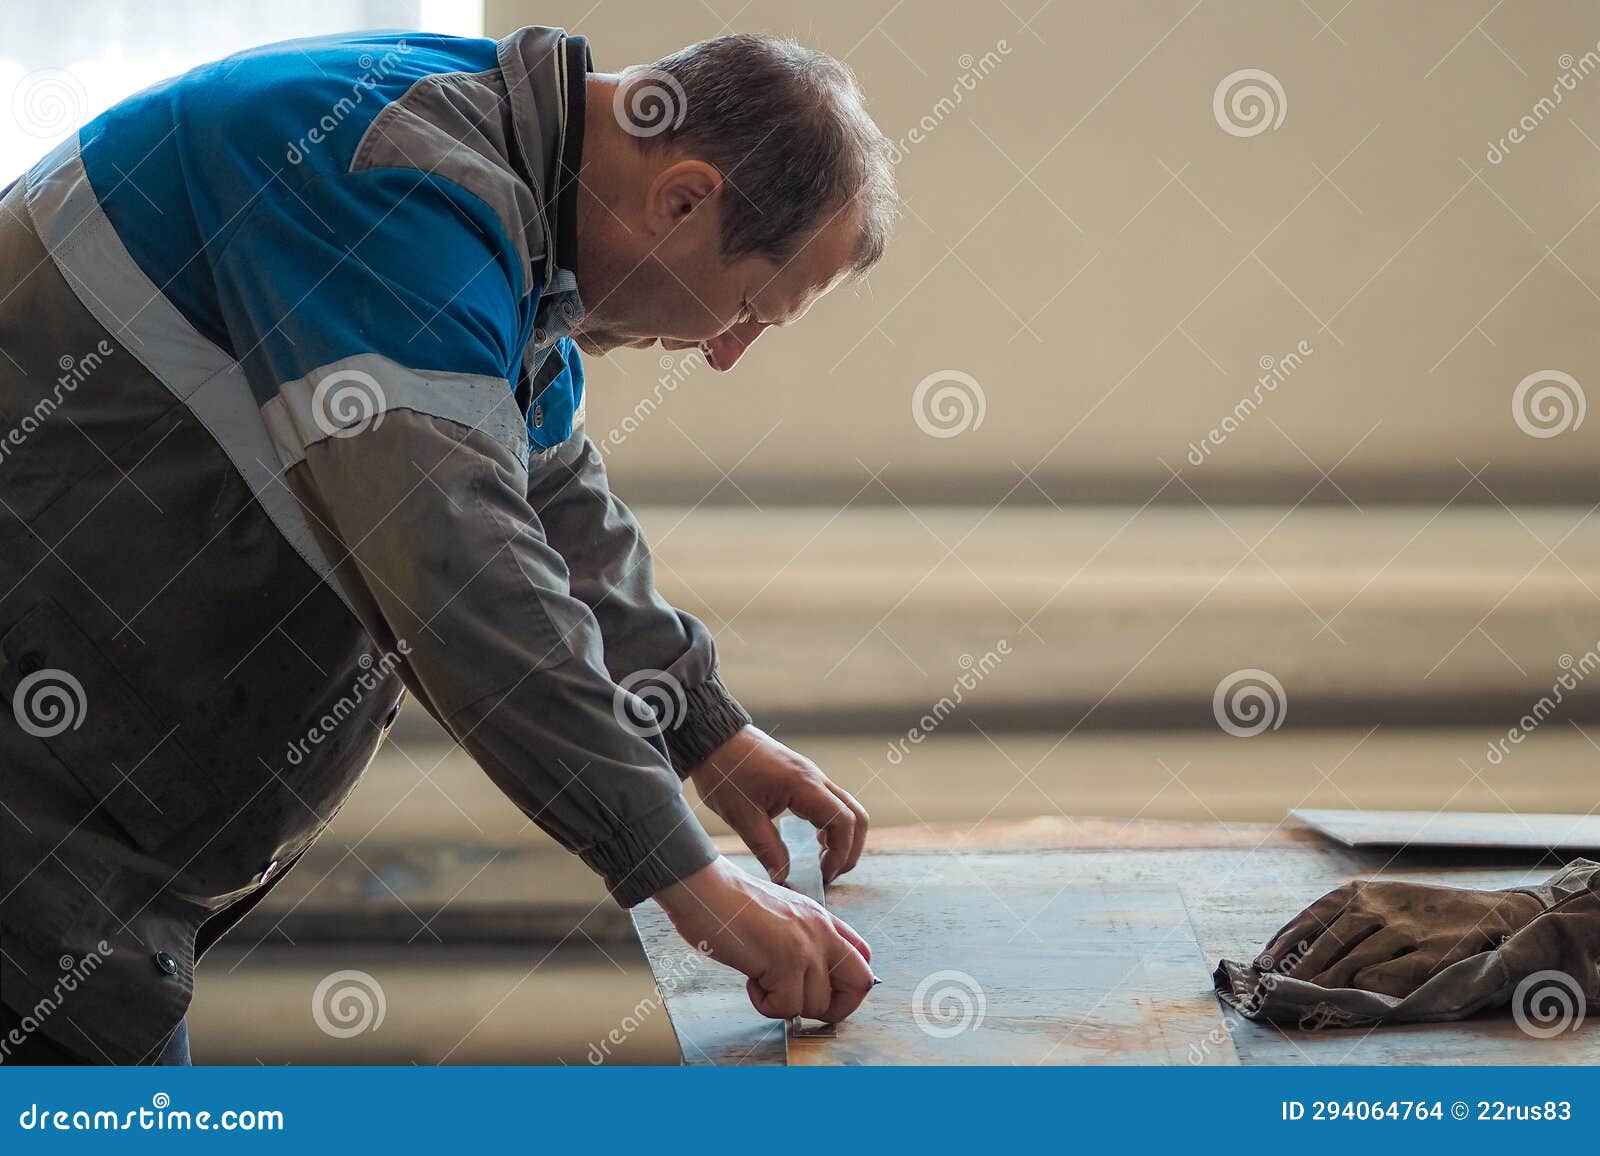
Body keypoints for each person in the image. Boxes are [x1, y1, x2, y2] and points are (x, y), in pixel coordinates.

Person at [0, 24, 896, 1064]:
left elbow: (549, 499)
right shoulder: (380, 175)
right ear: (684, 198)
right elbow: (458, 564)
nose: (725, 353)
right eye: (747, 309)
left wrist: (706, 729)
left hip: (81, 852)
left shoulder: (504, 202)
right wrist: (687, 881)